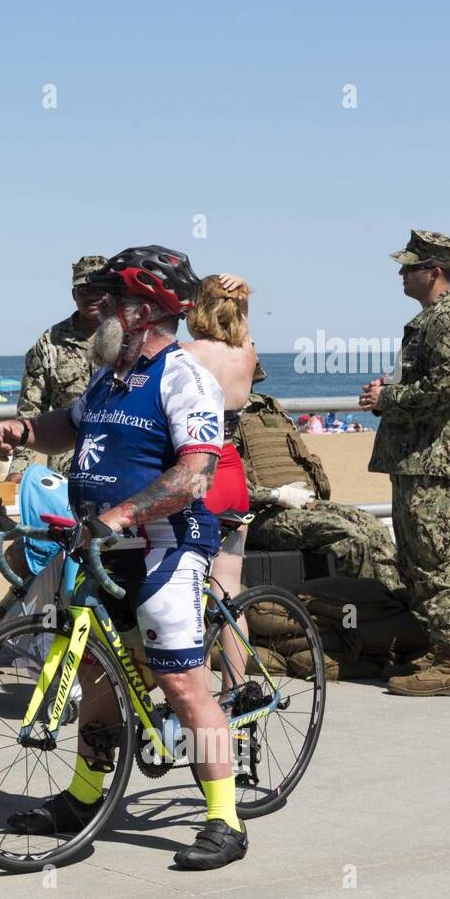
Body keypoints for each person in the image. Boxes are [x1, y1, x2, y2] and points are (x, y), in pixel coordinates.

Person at [0, 245, 248, 871]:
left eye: (111, 298)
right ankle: (83, 800)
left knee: (184, 684)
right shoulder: (110, 375)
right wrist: (25, 430)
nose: (97, 306)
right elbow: (69, 426)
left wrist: (123, 515)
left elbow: (194, 476)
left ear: (144, 310)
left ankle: (225, 818)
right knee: (97, 678)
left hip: (166, 545)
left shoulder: (184, 377)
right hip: (104, 548)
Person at [361, 230, 450, 698]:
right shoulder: (434, 319)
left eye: (409, 267)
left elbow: (444, 392)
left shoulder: (449, 320)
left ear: (434, 272)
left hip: (436, 459)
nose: (401, 273)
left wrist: (386, 397)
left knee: (435, 559)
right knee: (417, 558)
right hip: (419, 459)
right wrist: (387, 398)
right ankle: (439, 650)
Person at [237, 391, 403, 592]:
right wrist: (278, 495)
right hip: (256, 516)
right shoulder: (222, 417)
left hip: (298, 504)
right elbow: (226, 487)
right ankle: (361, 611)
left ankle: (391, 603)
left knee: (375, 528)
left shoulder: (270, 408)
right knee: (349, 536)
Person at [180, 273, 257, 679]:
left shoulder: (185, 353)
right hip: (231, 470)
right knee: (229, 591)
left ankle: (187, 692)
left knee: (185, 590)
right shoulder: (247, 352)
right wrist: (240, 297)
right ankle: (236, 690)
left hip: (198, 472)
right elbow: (238, 326)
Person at [9, 256, 109, 479]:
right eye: (84, 289)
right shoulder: (50, 342)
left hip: (117, 462)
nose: (92, 296)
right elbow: (31, 409)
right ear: (74, 295)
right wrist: (19, 470)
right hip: (67, 469)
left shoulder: (131, 340)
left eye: (100, 289)